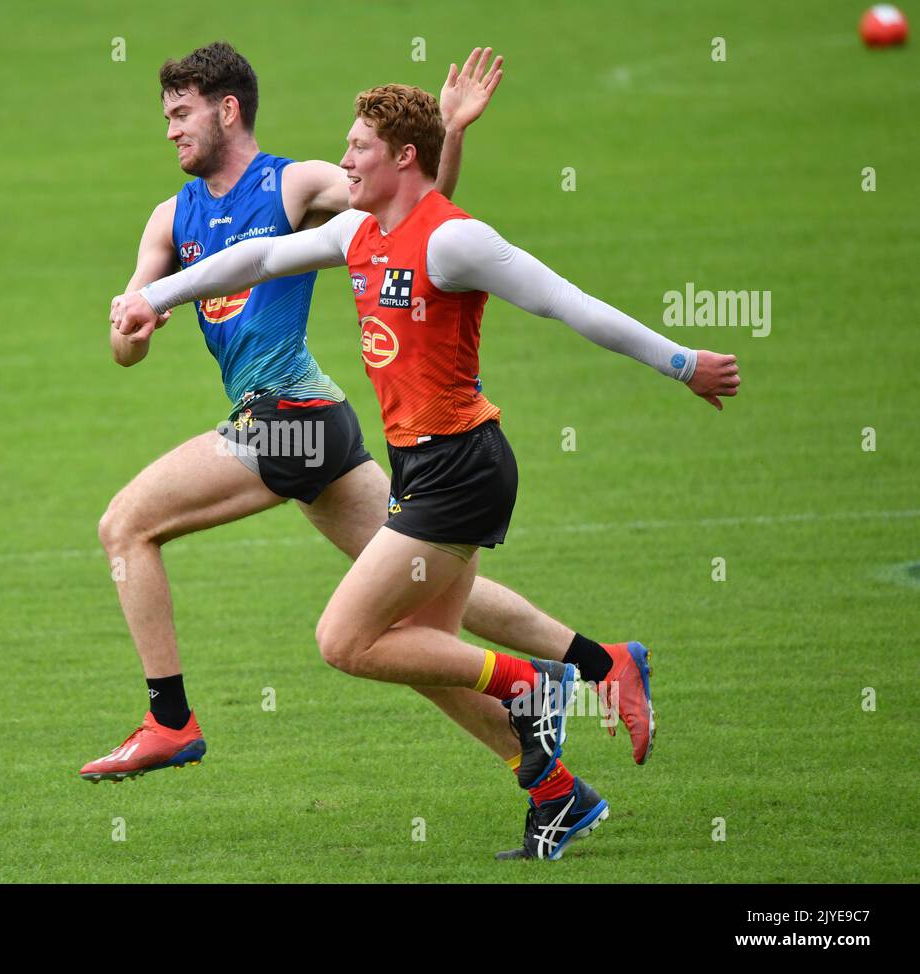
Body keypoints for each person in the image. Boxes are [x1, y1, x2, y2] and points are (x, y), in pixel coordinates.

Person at [111, 82, 740, 859]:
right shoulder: (359, 234)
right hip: (421, 471)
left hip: (464, 470)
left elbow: (570, 304)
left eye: (359, 149)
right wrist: (155, 294)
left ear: (403, 158)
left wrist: (683, 364)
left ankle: (536, 683)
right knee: (421, 655)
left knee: (344, 640)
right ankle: (560, 780)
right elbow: (262, 256)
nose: (343, 160)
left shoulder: (455, 241)